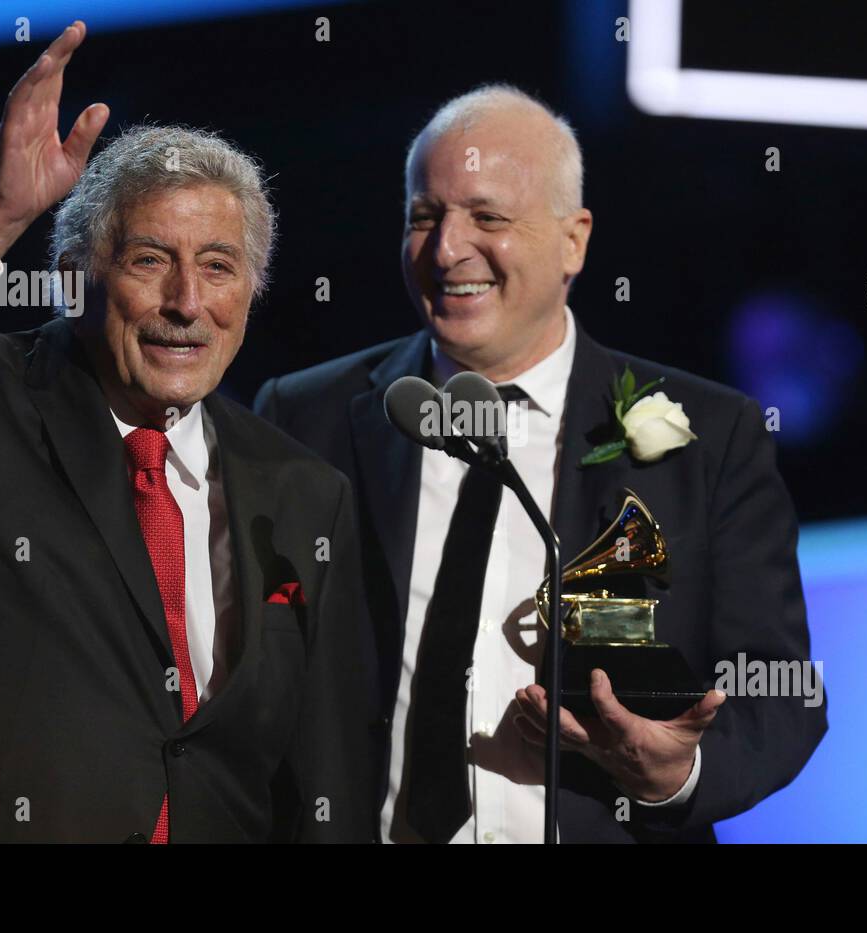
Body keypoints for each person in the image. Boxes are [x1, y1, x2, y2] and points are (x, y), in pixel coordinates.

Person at [0, 22, 377, 843]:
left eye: (219, 266)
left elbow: (326, 778)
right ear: (77, 277)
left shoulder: (303, 491)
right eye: (151, 259)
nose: (187, 301)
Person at [254, 84, 827, 843]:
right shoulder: (309, 416)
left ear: (573, 241)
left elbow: (778, 692)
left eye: (487, 216)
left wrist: (672, 773)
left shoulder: (708, 437)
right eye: (424, 217)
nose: (448, 248)